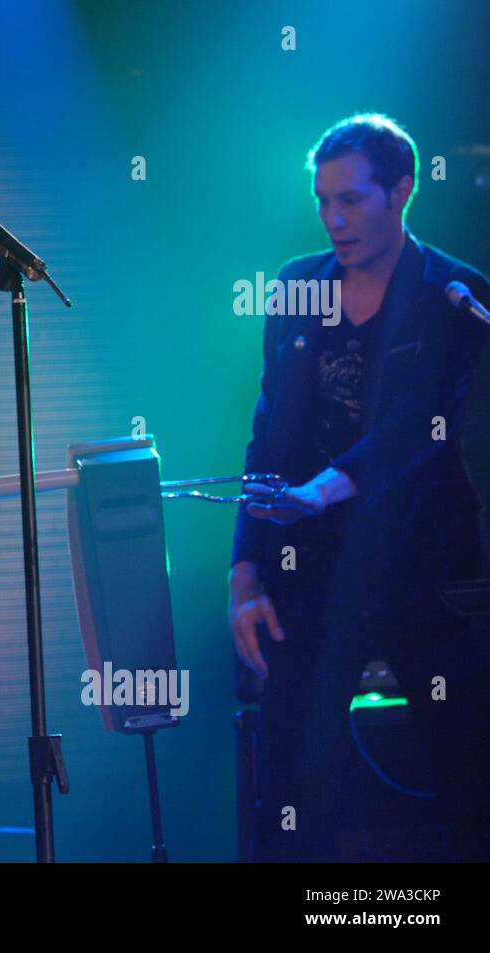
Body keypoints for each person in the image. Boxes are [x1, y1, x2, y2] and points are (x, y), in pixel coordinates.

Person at [229, 114, 490, 861]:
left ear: (401, 191)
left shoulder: (452, 294)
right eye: (322, 201)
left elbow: (421, 427)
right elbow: (269, 433)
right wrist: (245, 568)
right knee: (291, 778)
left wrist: (324, 488)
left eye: (351, 200)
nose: (334, 218)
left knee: (465, 768)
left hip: (426, 564)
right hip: (309, 566)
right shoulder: (295, 287)